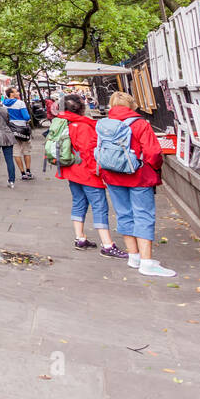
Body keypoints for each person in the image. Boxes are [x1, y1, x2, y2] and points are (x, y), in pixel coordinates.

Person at [99, 91, 173, 277]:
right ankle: (147, 262)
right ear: (131, 105)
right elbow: (153, 153)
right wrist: (154, 168)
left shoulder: (104, 124)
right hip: (139, 176)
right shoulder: (140, 124)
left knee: (124, 214)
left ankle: (134, 257)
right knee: (143, 216)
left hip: (112, 175)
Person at [55, 94, 127, 258]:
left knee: (78, 202)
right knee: (99, 205)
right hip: (87, 172)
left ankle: (79, 237)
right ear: (81, 108)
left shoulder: (63, 123)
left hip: (71, 170)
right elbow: (88, 151)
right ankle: (107, 244)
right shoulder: (83, 126)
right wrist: (99, 171)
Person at [2, 88, 34, 180]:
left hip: (11, 130)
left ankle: (22, 173)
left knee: (16, 152)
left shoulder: (3, 104)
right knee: (26, 150)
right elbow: (26, 117)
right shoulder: (20, 103)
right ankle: (28, 172)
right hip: (23, 129)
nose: (18, 93)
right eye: (16, 91)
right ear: (11, 94)